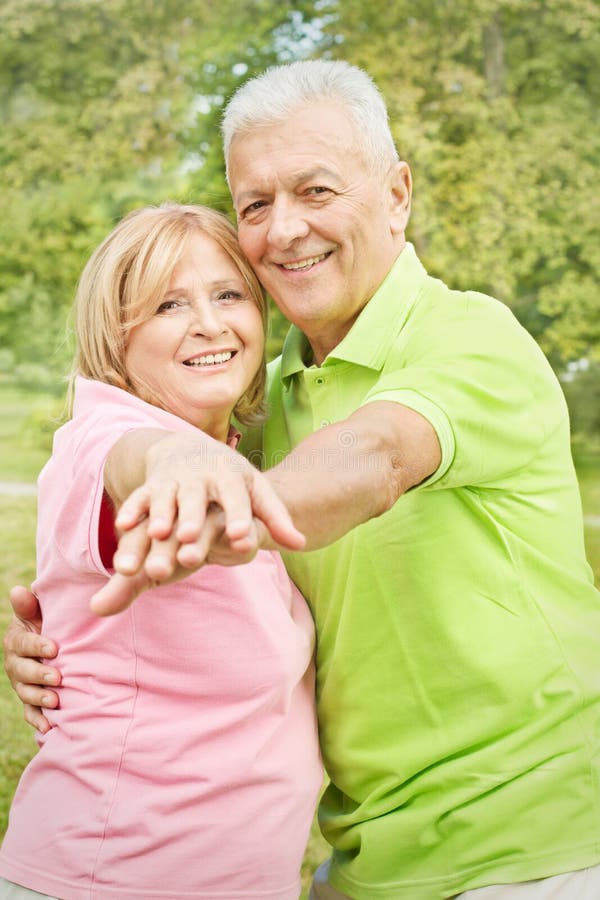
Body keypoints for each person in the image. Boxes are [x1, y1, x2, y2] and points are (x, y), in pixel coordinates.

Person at [5, 60, 600, 899]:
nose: (284, 229)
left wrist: (221, 514)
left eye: (315, 191)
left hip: (528, 849)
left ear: (396, 195)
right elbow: (127, 458)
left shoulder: (470, 337)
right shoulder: (261, 401)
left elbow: (379, 456)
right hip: (361, 866)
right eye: (255, 204)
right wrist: (65, 635)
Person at [0, 203, 322, 900]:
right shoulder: (103, 438)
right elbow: (133, 463)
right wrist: (175, 460)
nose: (209, 322)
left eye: (229, 294)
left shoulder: (239, 459)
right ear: (115, 339)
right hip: (110, 878)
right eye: (170, 304)